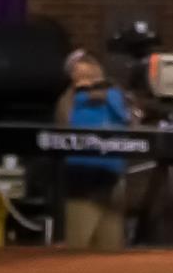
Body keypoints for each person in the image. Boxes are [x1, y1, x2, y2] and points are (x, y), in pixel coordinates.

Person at [54, 50, 135, 249]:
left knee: (111, 242)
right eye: (76, 70)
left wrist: (104, 92)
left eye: (87, 67)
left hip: (112, 177)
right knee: (79, 242)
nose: (83, 73)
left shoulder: (116, 94)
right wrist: (80, 93)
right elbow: (63, 130)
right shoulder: (68, 100)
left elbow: (132, 123)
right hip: (82, 177)